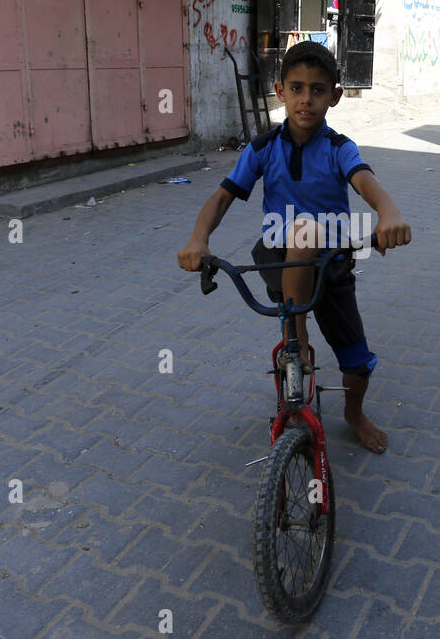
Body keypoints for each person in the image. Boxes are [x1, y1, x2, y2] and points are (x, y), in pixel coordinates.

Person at [176, 41, 411, 454]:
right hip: (277, 256)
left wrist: (387, 213)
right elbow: (222, 197)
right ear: (279, 90)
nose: (306, 99)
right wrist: (199, 238)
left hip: (332, 263)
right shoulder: (263, 147)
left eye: (318, 90)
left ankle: (353, 414)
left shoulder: (340, 148)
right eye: (297, 88)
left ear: (334, 97)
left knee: (356, 362)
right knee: (301, 231)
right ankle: (297, 336)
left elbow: (366, 182)